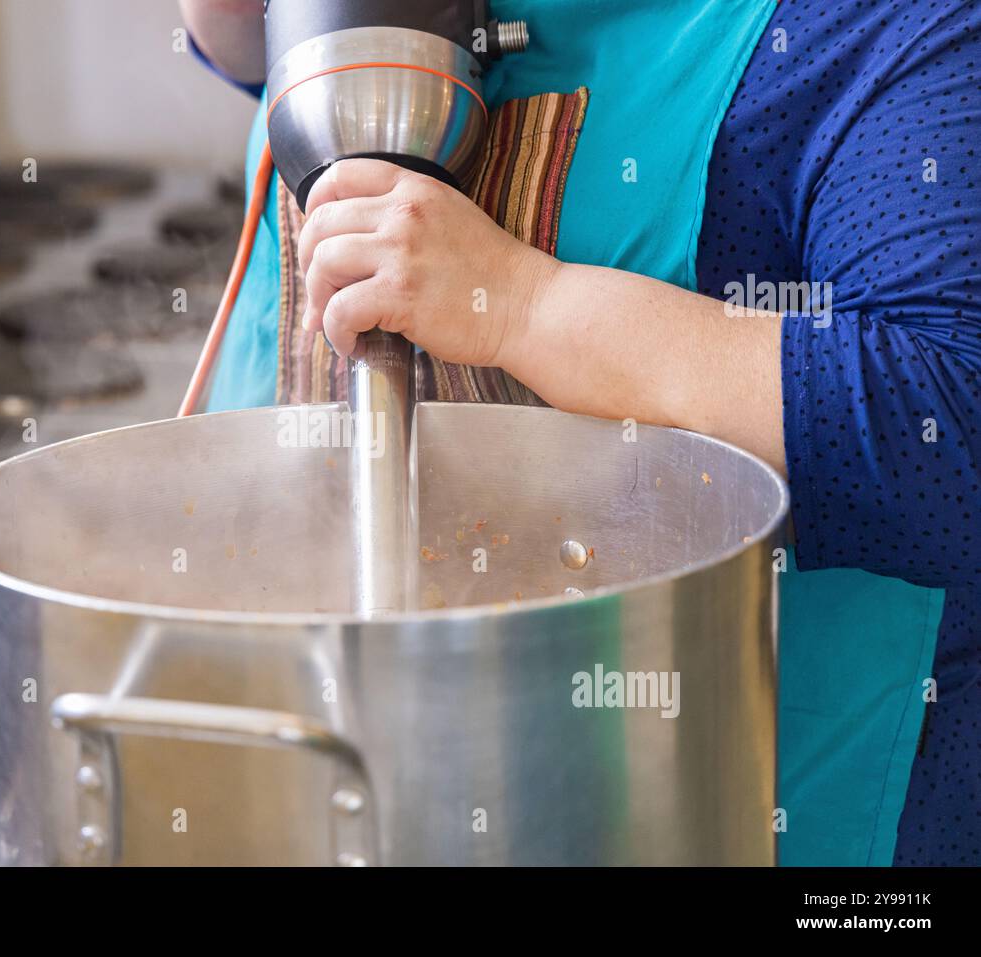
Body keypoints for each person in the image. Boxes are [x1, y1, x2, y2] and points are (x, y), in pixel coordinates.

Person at [179, 0, 981, 866]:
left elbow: (949, 431)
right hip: (304, 775)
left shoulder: (884, 31)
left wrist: (524, 304)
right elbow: (244, 41)